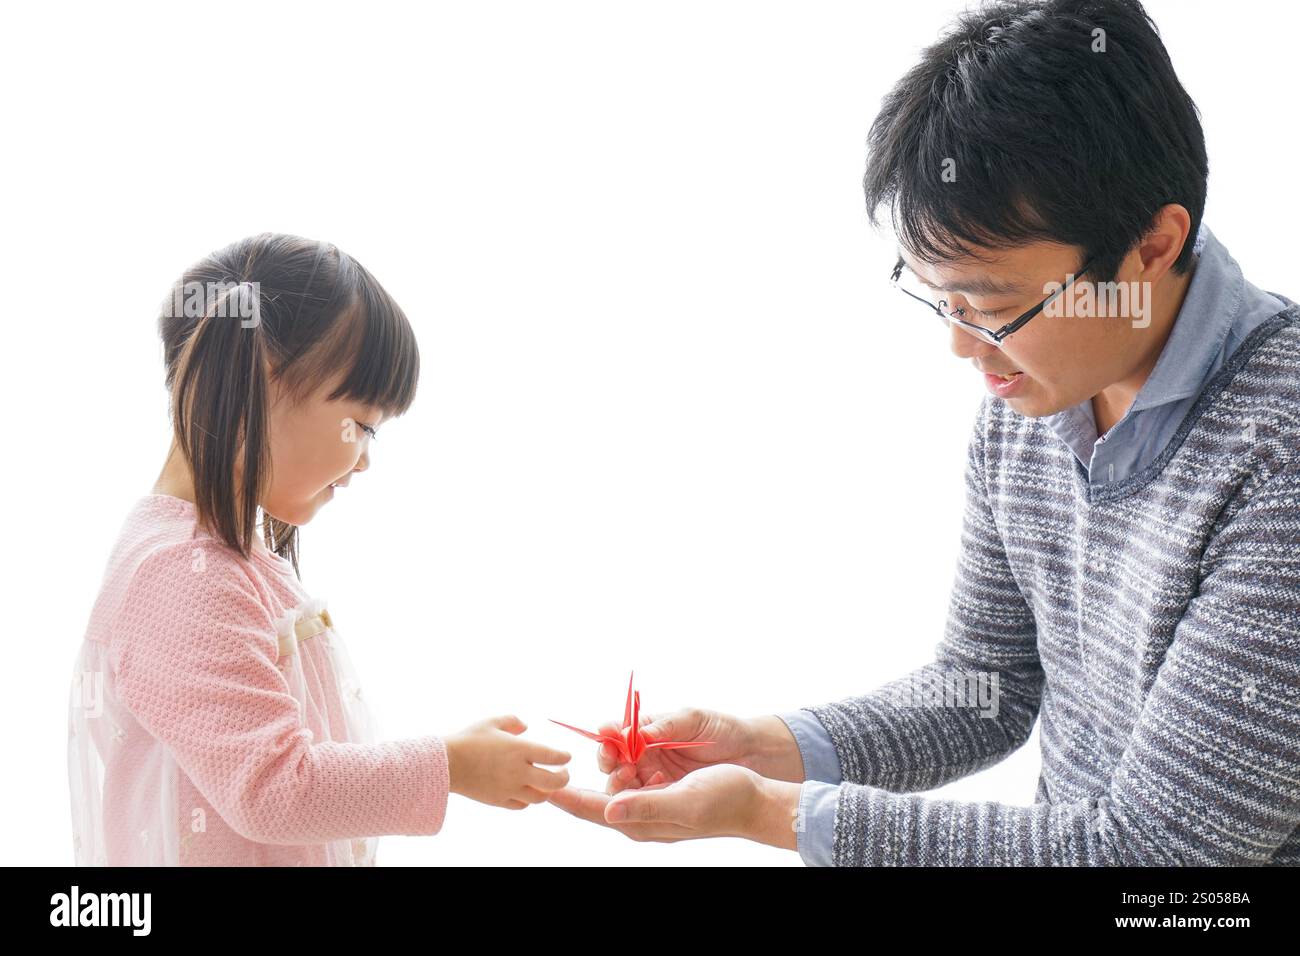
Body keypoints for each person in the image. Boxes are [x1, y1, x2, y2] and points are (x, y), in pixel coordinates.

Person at [547, 0, 1300, 865]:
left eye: (996, 307)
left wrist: (773, 814)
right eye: (943, 302)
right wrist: (757, 747)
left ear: (1152, 245)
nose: (962, 346)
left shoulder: (1280, 453)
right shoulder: (1033, 401)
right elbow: (985, 689)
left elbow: (1158, 860)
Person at [66, 233, 571, 865]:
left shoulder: (221, 557)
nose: (363, 461)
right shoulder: (181, 574)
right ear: (261, 379)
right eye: (361, 426)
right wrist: (452, 766)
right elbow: (273, 788)